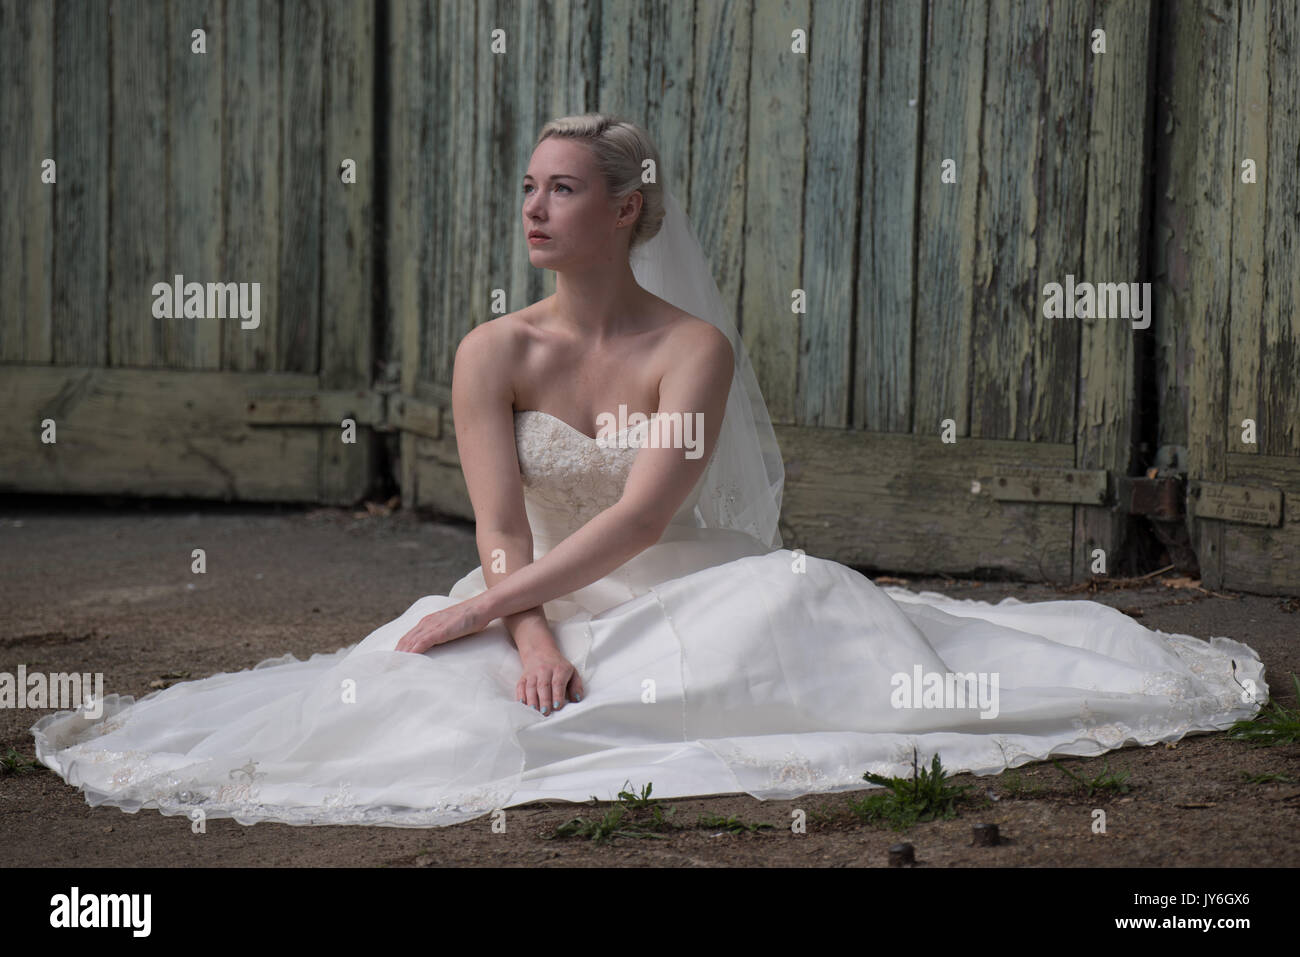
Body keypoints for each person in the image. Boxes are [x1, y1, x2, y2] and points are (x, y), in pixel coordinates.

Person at [32, 113, 1267, 828]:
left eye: (563, 189)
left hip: (676, 575)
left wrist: (495, 604)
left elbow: (637, 518)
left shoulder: (695, 350)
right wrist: (516, 629)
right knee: (425, 700)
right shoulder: (490, 351)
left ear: (627, 210)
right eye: (527, 186)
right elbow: (499, 520)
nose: (534, 207)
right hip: (536, 589)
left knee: (777, 615)